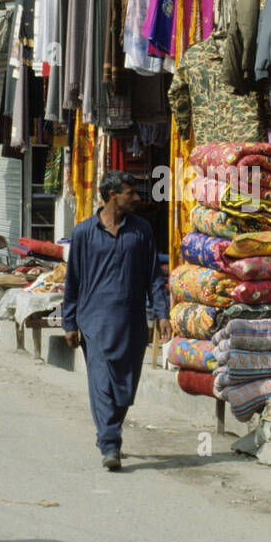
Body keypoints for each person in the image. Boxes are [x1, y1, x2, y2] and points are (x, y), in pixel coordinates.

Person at [62, 171, 170, 470]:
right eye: (130, 192)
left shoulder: (141, 230)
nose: (137, 198)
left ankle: (108, 431)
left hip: (132, 320)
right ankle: (110, 443)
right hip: (94, 320)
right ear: (112, 195)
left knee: (125, 386)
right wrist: (69, 322)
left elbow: (153, 276)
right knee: (101, 381)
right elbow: (73, 280)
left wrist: (162, 312)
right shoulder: (84, 232)